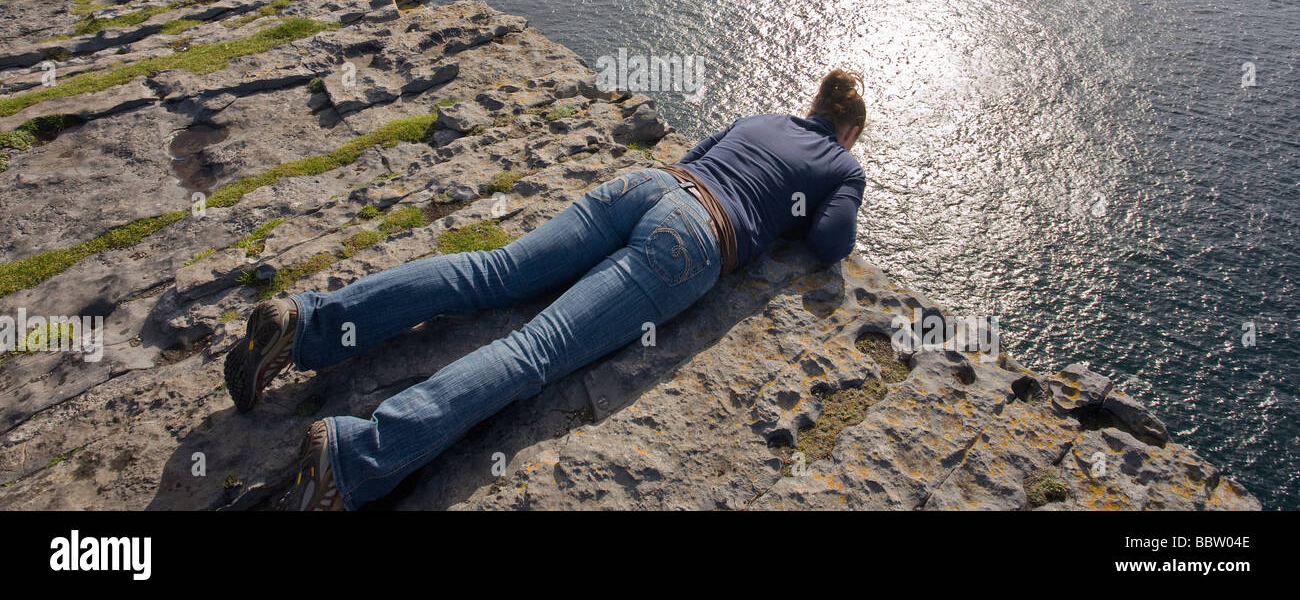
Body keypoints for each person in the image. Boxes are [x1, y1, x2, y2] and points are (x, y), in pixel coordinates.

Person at [224, 68, 867, 510]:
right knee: (536, 352)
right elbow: (831, 241)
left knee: (489, 272)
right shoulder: (842, 161)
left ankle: (304, 322)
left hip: (645, 187)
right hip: (695, 240)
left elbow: (695, 155)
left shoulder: (757, 118)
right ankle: (355, 457)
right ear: (847, 131)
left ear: (810, 106)